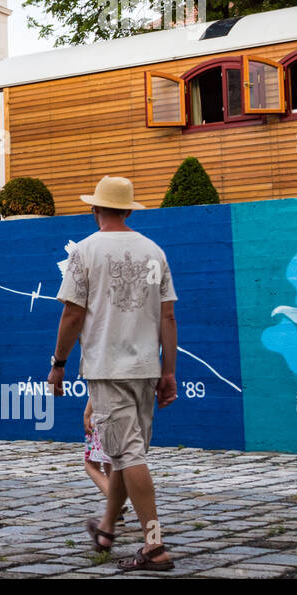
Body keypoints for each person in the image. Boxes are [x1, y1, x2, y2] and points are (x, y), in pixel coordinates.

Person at [50, 175, 178, 573]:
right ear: (127, 209)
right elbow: (168, 314)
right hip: (145, 368)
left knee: (127, 453)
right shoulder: (153, 251)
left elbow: (72, 313)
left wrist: (58, 364)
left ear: (95, 209)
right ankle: (106, 529)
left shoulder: (85, 252)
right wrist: (169, 371)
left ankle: (154, 547)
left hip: (107, 369)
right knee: (125, 453)